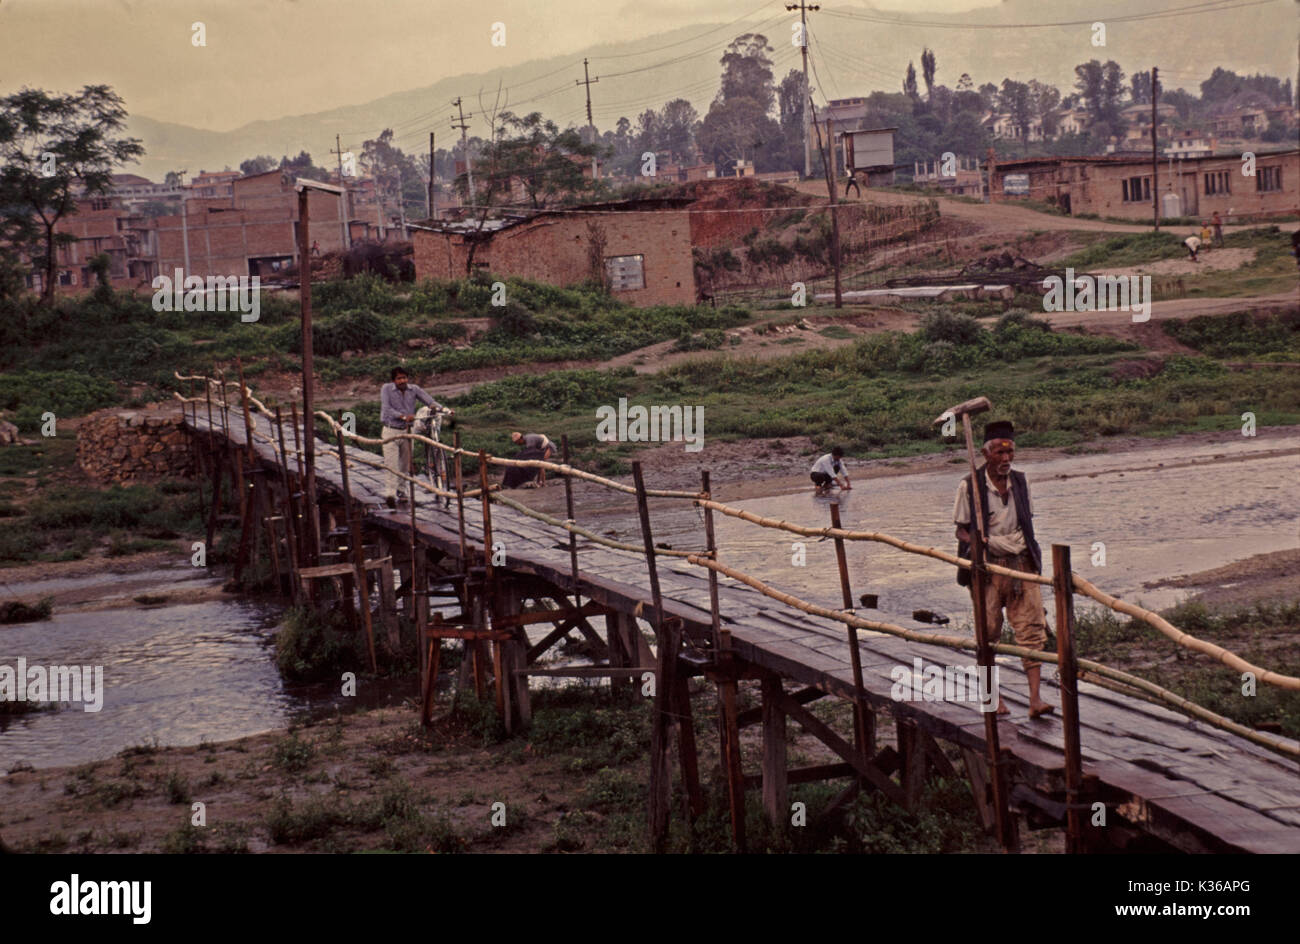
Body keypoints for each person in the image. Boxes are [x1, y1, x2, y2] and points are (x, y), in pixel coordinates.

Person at [953, 420, 1055, 719]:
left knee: (1031, 630)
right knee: (988, 635)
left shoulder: (1021, 482)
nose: (1006, 458)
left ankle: (1035, 699)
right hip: (987, 568)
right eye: (999, 452)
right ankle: (992, 699)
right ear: (986, 454)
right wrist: (979, 540)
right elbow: (960, 530)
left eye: (1010, 452)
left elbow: (1027, 521)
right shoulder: (969, 485)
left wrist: (1016, 546)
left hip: (1021, 565)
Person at [379, 367, 450, 508]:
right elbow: (386, 409)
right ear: (393, 380)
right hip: (390, 430)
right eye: (399, 378)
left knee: (405, 464)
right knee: (391, 463)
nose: (402, 381)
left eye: (404, 377)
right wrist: (403, 416)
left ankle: (401, 491)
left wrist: (443, 409)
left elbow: (429, 401)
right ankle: (390, 494)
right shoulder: (386, 389)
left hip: (407, 431)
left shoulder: (414, 389)